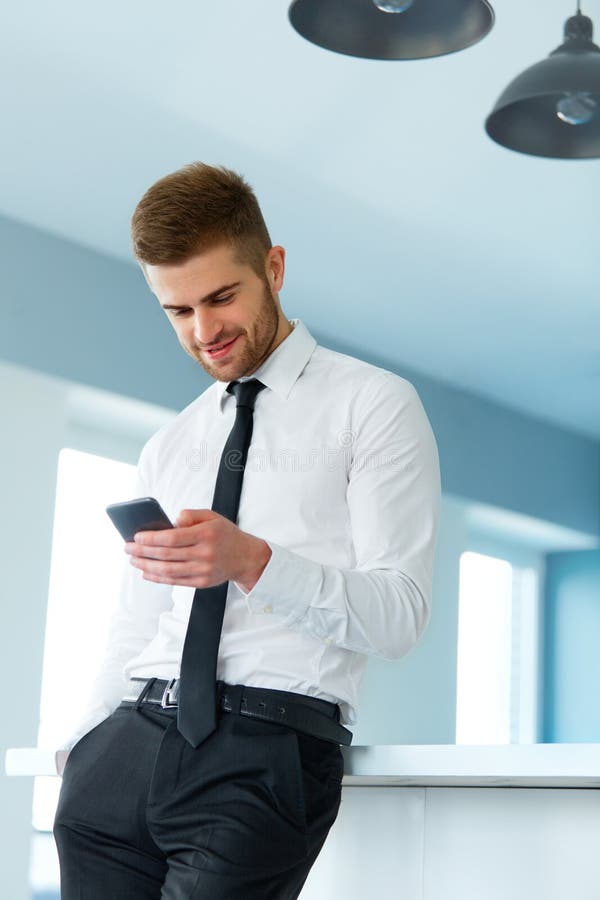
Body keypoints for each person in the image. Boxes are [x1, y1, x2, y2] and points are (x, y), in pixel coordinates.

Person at [53, 162, 441, 899]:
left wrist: (255, 561)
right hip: (123, 755)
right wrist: (84, 747)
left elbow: (399, 617)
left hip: (263, 754)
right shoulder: (169, 445)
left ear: (274, 267)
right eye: (177, 311)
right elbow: (133, 624)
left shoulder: (375, 406)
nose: (204, 332)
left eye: (221, 297)